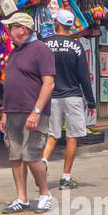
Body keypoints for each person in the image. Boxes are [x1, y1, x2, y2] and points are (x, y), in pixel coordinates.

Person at [0, 12, 56, 214]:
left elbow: (49, 83)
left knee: (32, 155)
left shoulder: (41, 50)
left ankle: (45, 193)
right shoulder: (15, 51)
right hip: (13, 110)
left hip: (33, 112)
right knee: (15, 156)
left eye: (11, 27)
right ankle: (21, 197)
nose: (9, 32)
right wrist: (5, 112)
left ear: (22, 29)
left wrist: (36, 111)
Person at [41, 9, 96, 188]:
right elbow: (84, 77)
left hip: (51, 97)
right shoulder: (76, 46)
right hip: (72, 96)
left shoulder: (45, 45)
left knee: (52, 135)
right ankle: (65, 177)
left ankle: (43, 162)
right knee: (72, 137)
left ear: (57, 23)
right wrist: (91, 101)